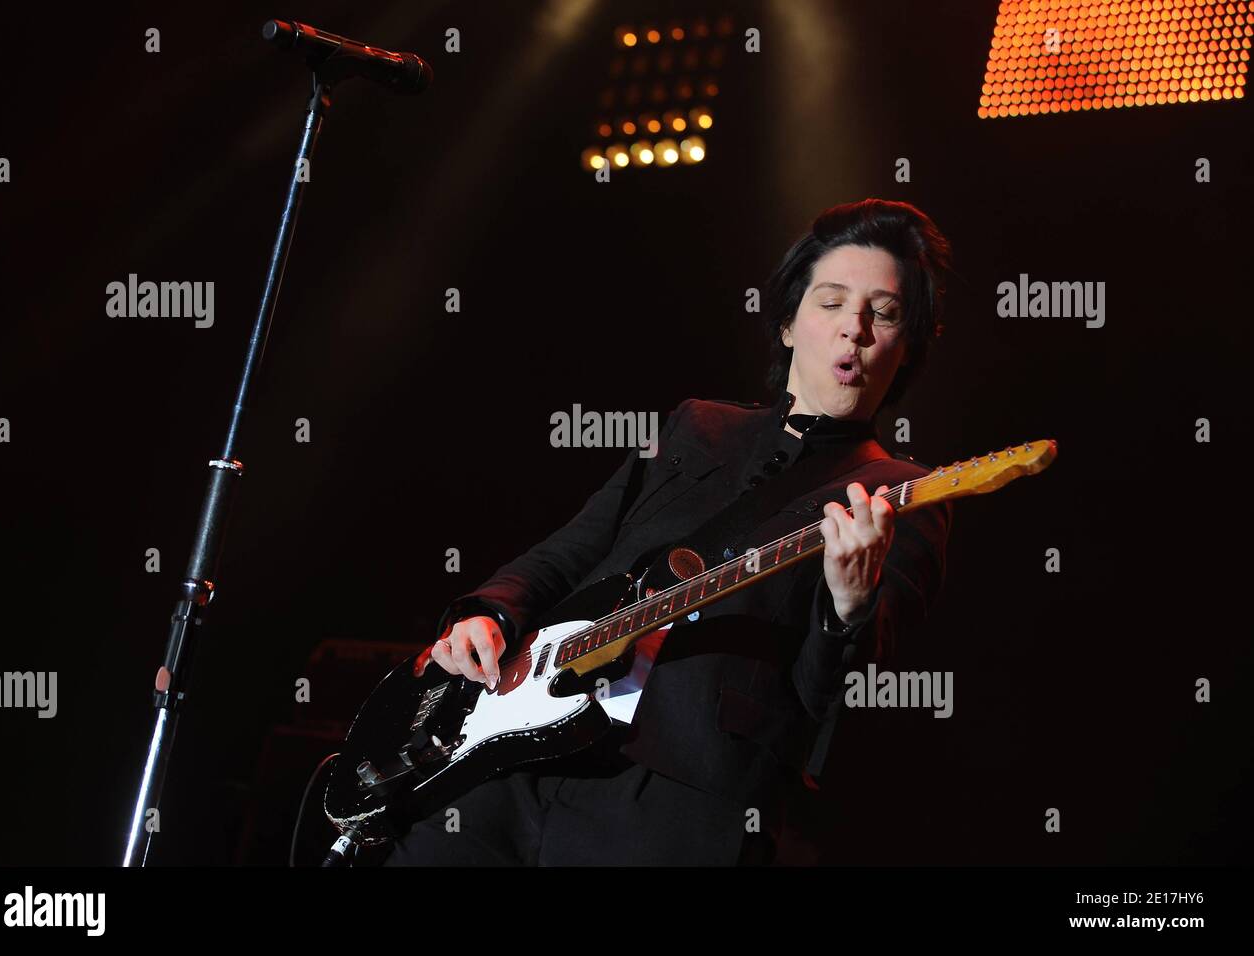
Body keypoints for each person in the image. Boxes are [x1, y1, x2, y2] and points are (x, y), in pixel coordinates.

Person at [384, 198, 954, 866]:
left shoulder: (903, 494)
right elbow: (571, 550)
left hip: (676, 804)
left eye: (882, 314)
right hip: (511, 760)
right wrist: (489, 612)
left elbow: (838, 705)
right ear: (789, 323)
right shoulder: (697, 426)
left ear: (907, 346)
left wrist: (848, 608)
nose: (854, 329)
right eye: (831, 302)